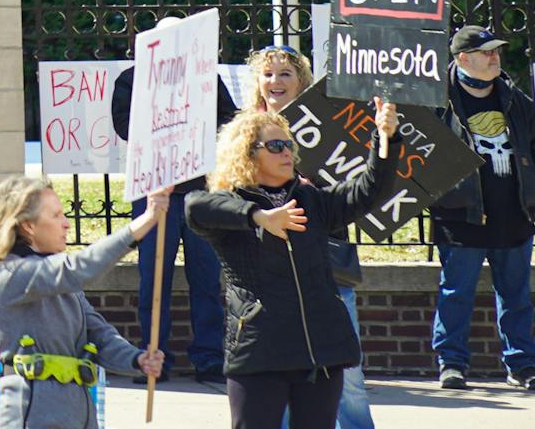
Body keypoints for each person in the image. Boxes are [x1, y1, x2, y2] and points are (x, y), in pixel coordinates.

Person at [187, 102, 397, 429]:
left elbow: (365, 193)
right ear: (247, 153)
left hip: (320, 353)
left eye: (289, 144)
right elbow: (195, 207)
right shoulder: (232, 204)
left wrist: (384, 140)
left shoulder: (309, 199)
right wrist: (258, 218)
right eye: (275, 145)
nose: (287, 152)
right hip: (259, 354)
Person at [241, 47, 371, 429]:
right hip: (268, 269)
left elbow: (356, 189)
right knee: (276, 373)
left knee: (348, 377)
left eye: (285, 74)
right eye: (268, 74)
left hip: (323, 264)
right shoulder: (244, 131)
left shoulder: (332, 128)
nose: (275, 82)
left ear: (301, 81)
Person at [0, 176, 169, 429]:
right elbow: (78, 267)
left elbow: (98, 334)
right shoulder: (8, 273)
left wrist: (136, 360)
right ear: (28, 226)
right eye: (56, 216)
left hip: (79, 413)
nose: (67, 224)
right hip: (33, 414)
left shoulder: (58, 277)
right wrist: (145, 221)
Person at [109, 30, 239, 384]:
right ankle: (154, 358)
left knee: (206, 279)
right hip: (154, 191)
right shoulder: (131, 79)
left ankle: (209, 357)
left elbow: (229, 123)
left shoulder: (205, 78)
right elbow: (124, 127)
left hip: (200, 191)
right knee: (153, 280)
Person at [429, 25, 535, 391]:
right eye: (487, 52)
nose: (495, 57)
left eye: (497, 51)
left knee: (516, 295)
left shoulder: (513, 98)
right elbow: (415, 153)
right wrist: (442, 193)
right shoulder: (438, 101)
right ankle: (451, 364)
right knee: (456, 293)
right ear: (463, 58)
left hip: (513, 213)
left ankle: (522, 364)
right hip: (460, 215)